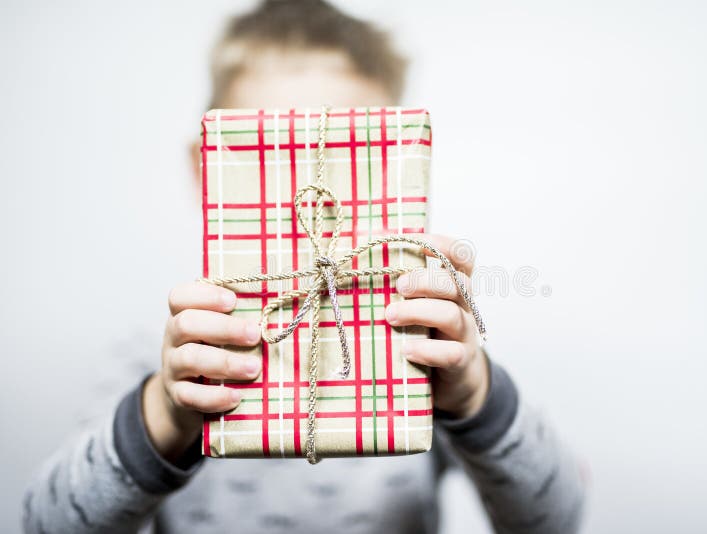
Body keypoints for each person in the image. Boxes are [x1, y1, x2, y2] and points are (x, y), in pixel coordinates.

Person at [23, 1, 586, 532]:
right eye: (270, 158)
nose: (309, 201)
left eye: (348, 161)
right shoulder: (161, 358)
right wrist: (165, 417)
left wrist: (475, 397)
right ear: (208, 169)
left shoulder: (427, 344)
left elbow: (557, 519)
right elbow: (44, 523)